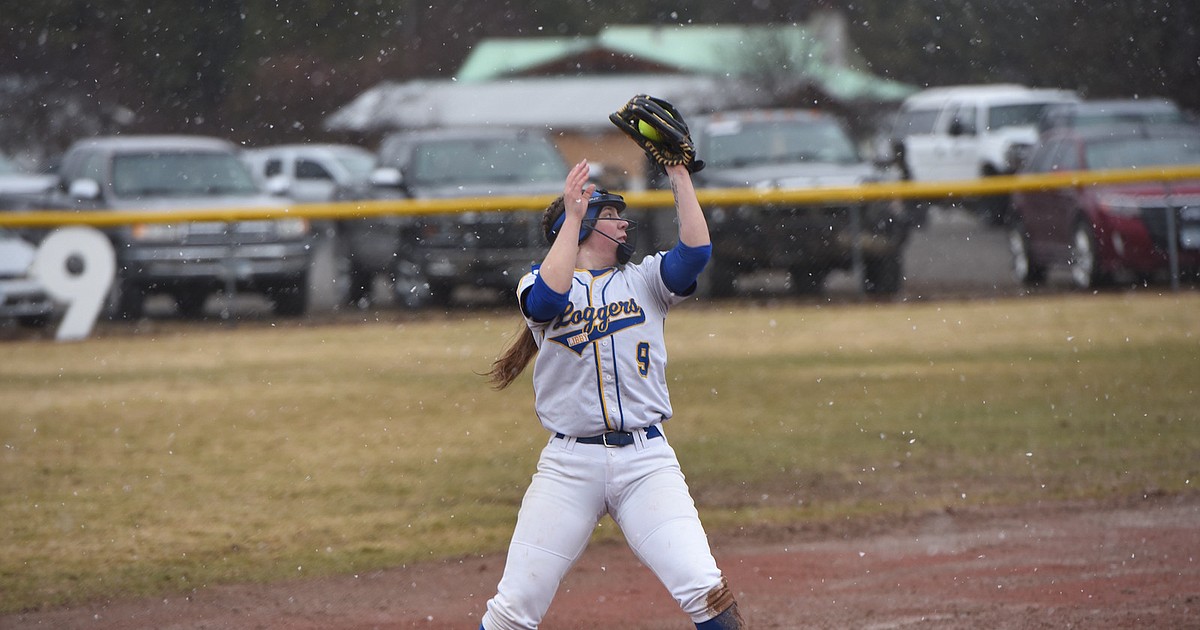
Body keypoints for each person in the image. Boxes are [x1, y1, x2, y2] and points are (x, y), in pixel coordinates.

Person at [481, 158, 744, 629]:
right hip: (569, 466)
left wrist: (679, 175)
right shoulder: (537, 282)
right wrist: (573, 216)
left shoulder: (645, 280)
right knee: (514, 609)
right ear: (581, 226)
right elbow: (548, 300)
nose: (623, 224)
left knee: (704, 589)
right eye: (610, 216)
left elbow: (695, 252)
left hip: (646, 461)